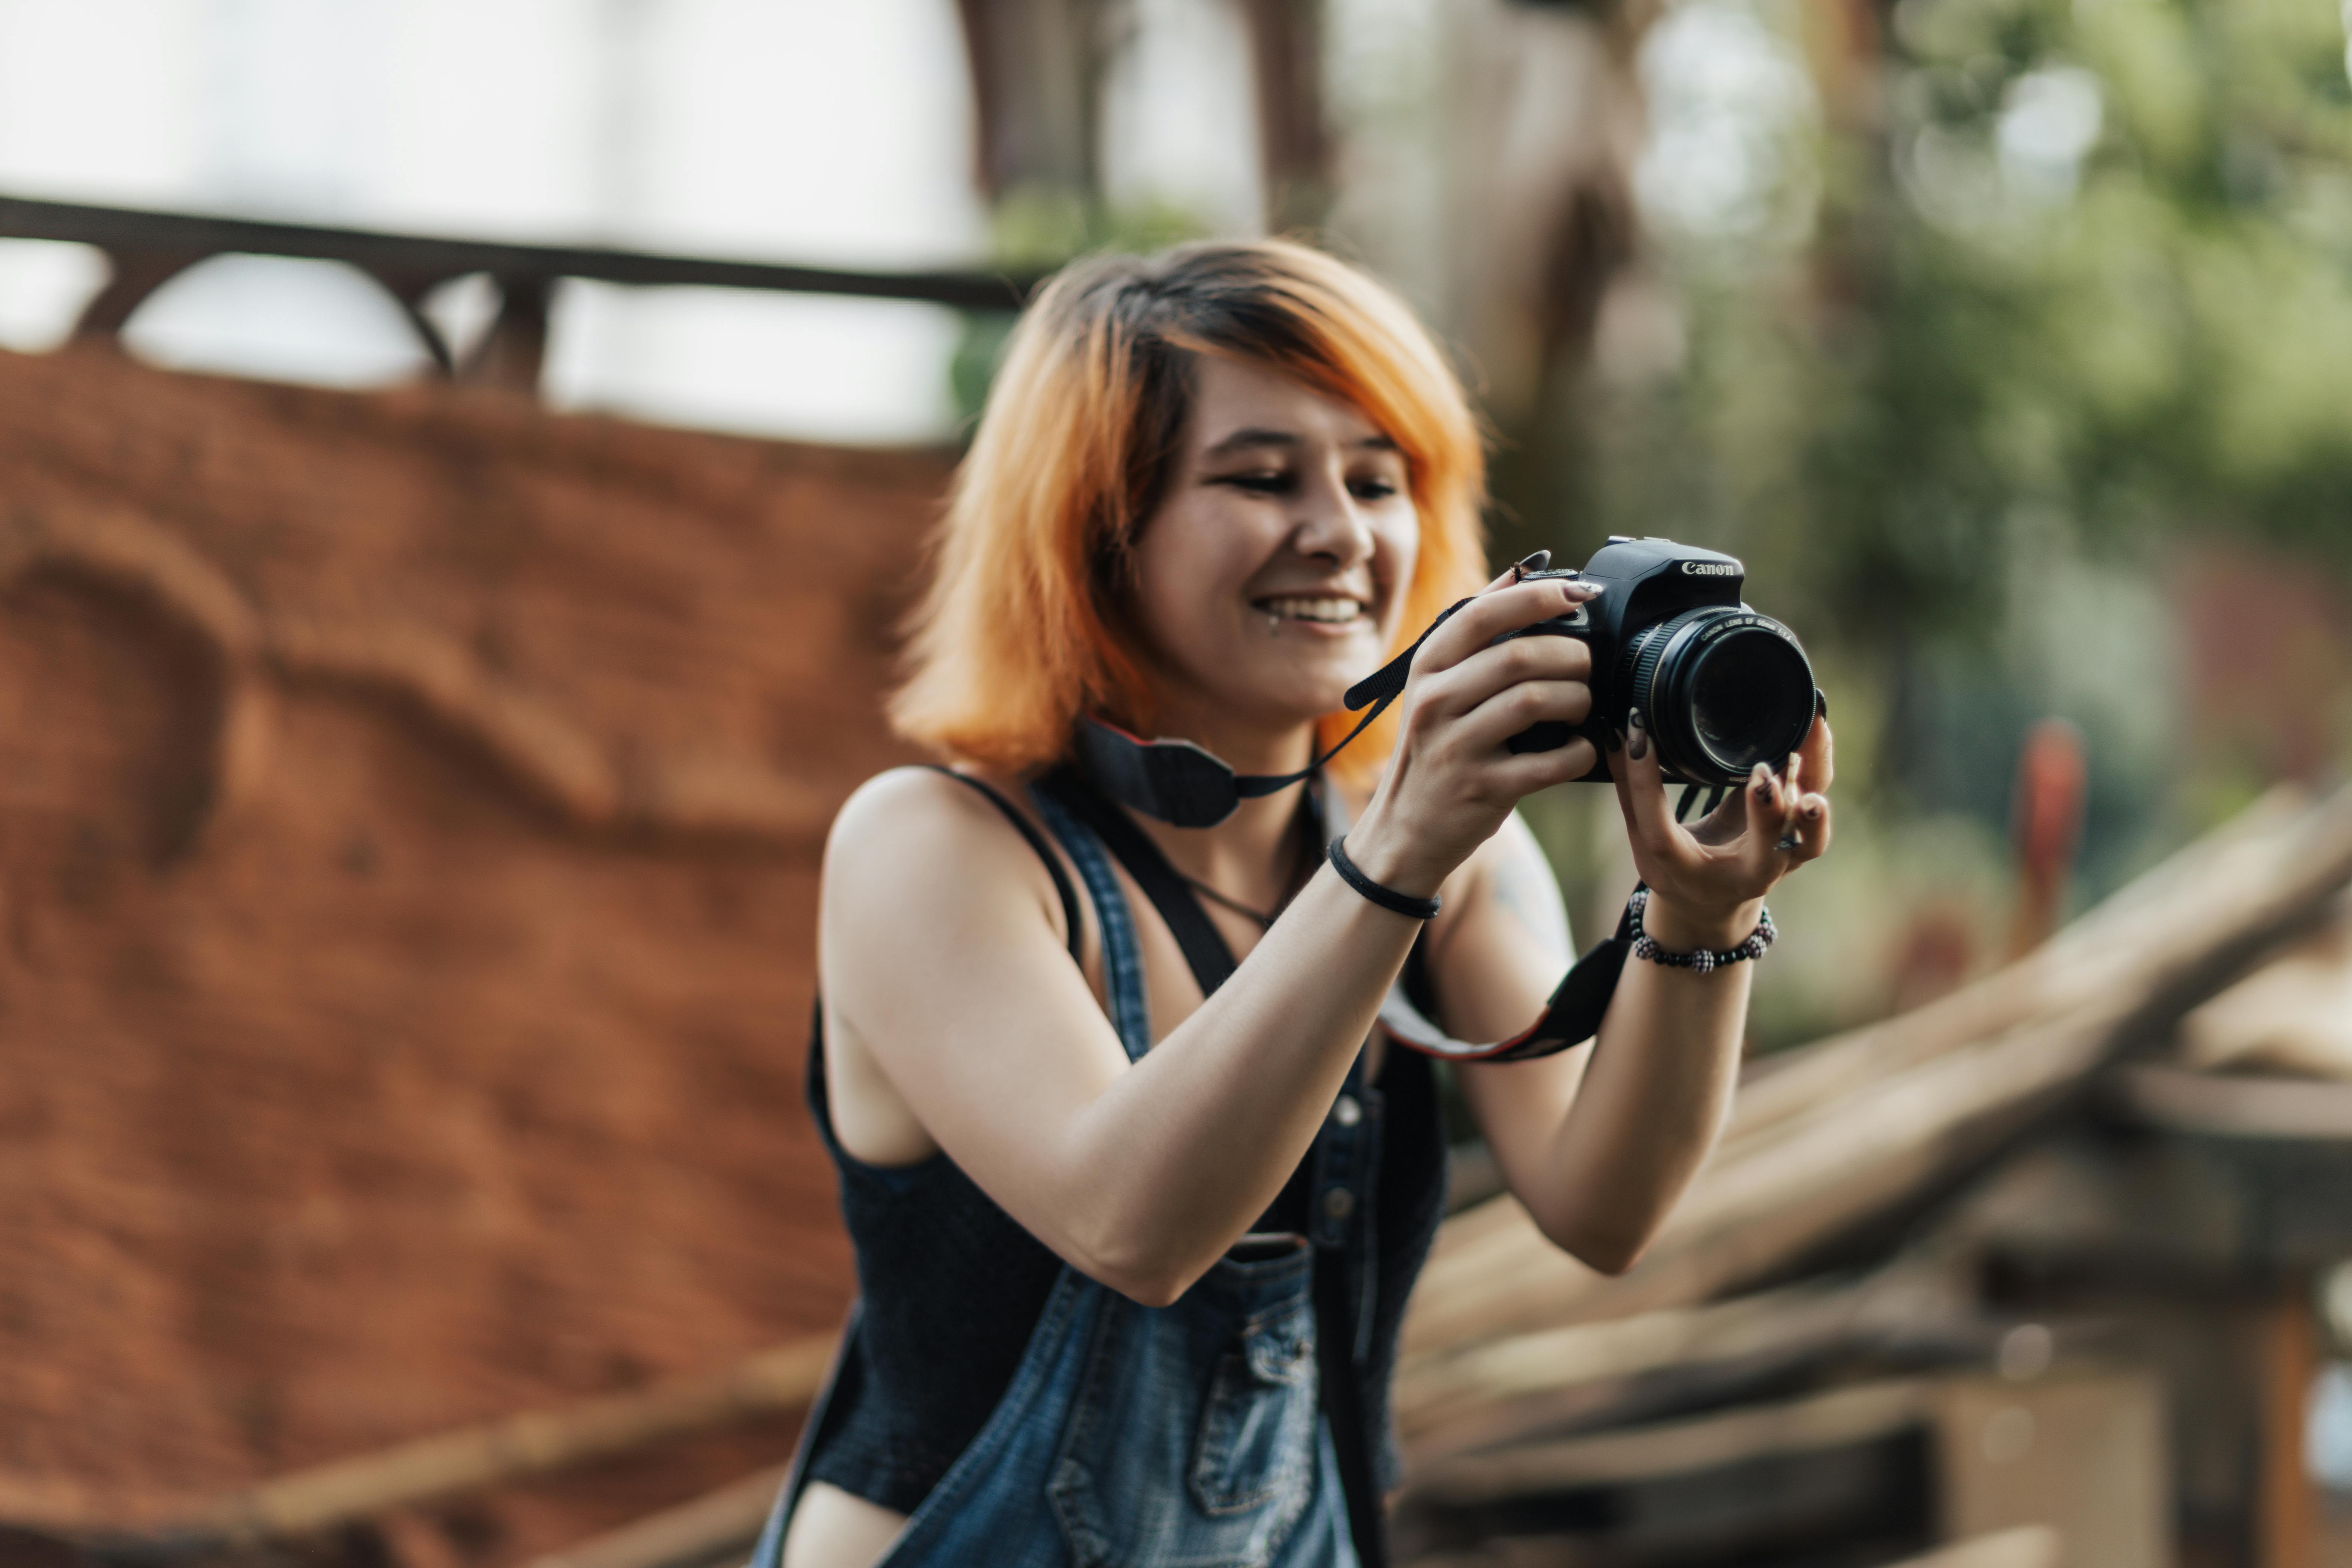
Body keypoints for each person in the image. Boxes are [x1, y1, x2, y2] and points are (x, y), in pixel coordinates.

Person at [761, 239, 1834, 1568]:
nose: (1339, 530)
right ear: (1097, 528)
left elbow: (1602, 1209)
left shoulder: (1448, 853)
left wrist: (1701, 917)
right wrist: (1394, 852)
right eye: (1261, 477)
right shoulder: (935, 843)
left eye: (1378, 479)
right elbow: (1132, 1225)